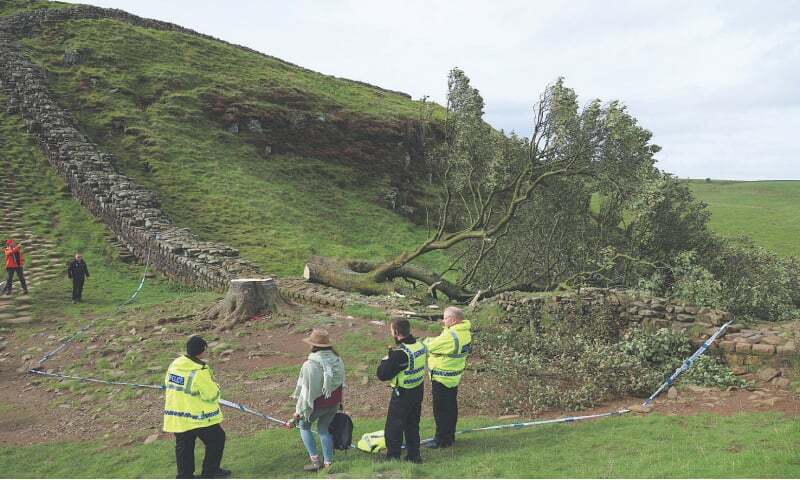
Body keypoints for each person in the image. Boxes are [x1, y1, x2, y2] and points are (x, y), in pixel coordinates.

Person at [163, 335, 231, 479]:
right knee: (217, 439)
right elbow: (211, 395)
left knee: (184, 446)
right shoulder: (199, 371)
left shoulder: (175, 364)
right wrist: (216, 388)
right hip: (198, 416)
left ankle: (184, 476)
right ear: (202, 351)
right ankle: (210, 472)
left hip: (177, 415)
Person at [290, 328, 346, 472]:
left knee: (304, 427)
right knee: (323, 430)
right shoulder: (337, 360)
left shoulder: (310, 365)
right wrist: (340, 402)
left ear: (313, 345)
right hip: (333, 403)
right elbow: (340, 384)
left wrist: (298, 412)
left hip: (316, 405)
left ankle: (315, 461)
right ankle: (328, 463)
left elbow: (306, 392)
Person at [376, 318, 427, 463]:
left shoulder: (400, 353)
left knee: (394, 426)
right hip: (417, 390)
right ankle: (414, 455)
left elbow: (382, 375)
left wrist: (387, 359)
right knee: (412, 424)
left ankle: (393, 456)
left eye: (391, 330)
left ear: (396, 332)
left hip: (403, 394)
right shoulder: (420, 345)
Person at [424, 306, 472, 449]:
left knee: (441, 410)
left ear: (454, 319)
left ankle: (441, 440)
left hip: (442, 377)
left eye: (445, 318)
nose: (442, 321)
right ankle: (450, 437)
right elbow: (442, 341)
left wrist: (426, 340)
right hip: (454, 376)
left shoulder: (451, 336)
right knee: (451, 408)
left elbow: (429, 346)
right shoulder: (464, 332)